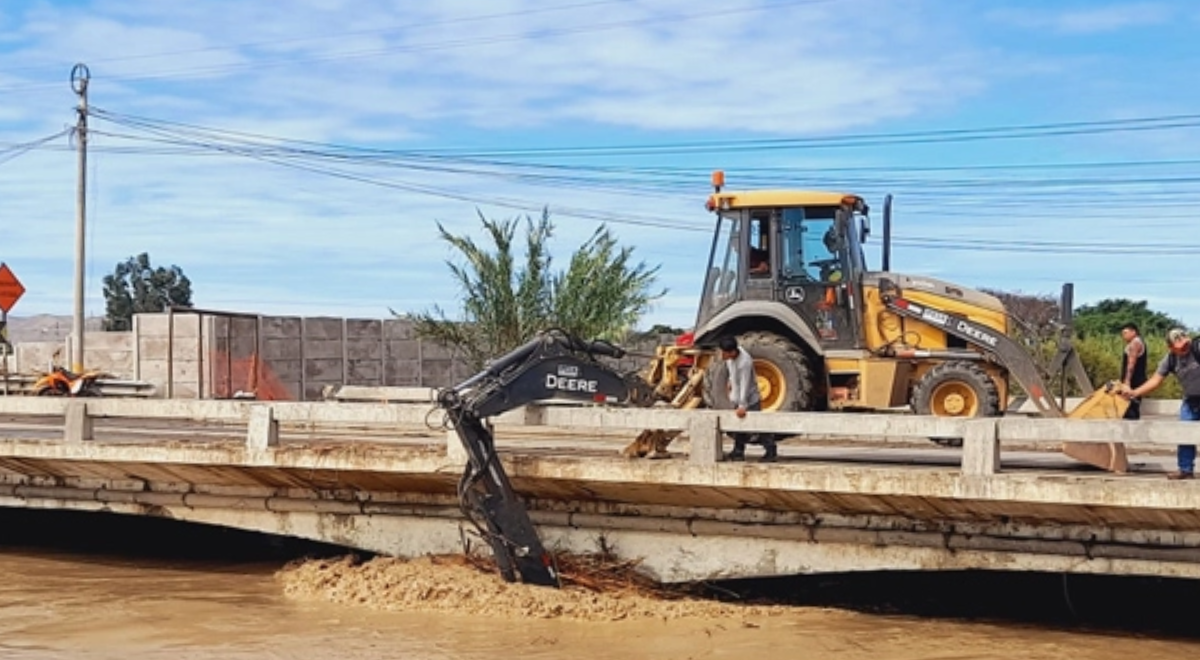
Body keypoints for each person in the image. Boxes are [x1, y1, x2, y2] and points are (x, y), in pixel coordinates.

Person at [1122, 328, 1200, 479]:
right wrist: (1134, 393)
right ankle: (1185, 469)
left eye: (1186, 345)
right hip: (1191, 400)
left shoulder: (1197, 348)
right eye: (1180, 347)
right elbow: (1155, 380)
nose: (1185, 348)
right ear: (1171, 347)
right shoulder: (1170, 359)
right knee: (1184, 433)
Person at [718, 336, 777, 462]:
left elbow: (745, 384)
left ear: (732, 352)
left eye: (724, 352)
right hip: (737, 396)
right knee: (739, 426)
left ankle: (771, 450)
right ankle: (738, 452)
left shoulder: (745, 362)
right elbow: (732, 373)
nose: (722, 355)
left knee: (757, 425)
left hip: (750, 399)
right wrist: (730, 382)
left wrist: (742, 405)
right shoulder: (730, 358)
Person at [1119, 322, 1148, 420]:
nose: (1123, 336)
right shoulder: (1136, 342)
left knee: (1130, 409)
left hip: (1133, 381)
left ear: (1133, 332)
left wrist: (1127, 382)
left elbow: (1131, 364)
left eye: (1125, 333)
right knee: (1131, 408)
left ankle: (1132, 428)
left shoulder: (1135, 343)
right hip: (1135, 380)